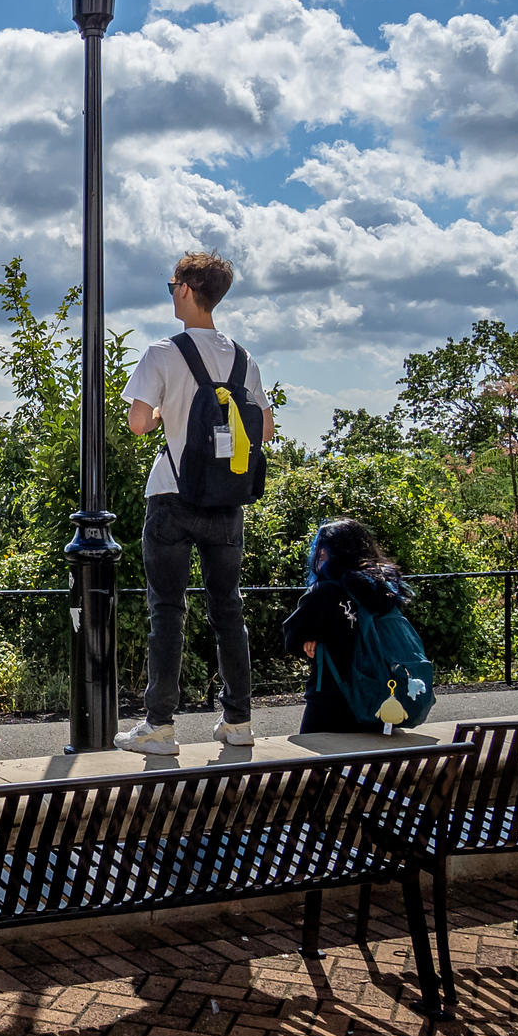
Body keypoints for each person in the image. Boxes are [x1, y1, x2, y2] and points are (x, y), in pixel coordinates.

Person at [115, 250, 274, 755]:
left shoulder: (163, 352)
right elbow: (265, 428)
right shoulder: (243, 357)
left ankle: (159, 727)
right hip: (227, 502)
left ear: (186, 289)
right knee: (229, 610)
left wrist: (165, 412)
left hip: (173, 496)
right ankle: (238, 721)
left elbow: (138, 423)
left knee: (167, 610)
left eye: (171, 286)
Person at [282, 518, 414, 734]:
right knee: (369, 766)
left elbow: (292, 639)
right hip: (381, 698)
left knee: (314, 764)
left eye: (319, 547)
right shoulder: (386, 590)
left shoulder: (323, 593)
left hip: (330, 701)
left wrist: (313, 638)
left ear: (328, 552)